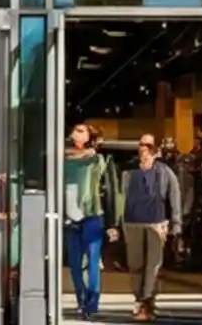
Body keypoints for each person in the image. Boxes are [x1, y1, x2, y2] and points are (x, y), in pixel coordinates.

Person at [116, 133, 182, 322]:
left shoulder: (164, 172)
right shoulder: (129, 171)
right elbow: (120, 197)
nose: (144, 150)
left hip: (156, 223)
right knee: (136, 265)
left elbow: (174, 196)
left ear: (155, 151)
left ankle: (147, 301)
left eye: (148, 147)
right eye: (141, 146)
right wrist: (117, 224)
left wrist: (175, 224)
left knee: (153, 265)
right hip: (132, 223)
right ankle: (139, 300)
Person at [61, 123, 117, 320]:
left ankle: (91, 304)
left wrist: (112, 223)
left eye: (81, 130)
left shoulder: (98, 160)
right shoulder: (62, 159)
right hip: (69, 217)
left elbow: (110, 191)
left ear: (89, 136)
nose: (77, 132)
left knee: (92, 263)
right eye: (75, 129)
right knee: (75, 265)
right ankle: (82, 299)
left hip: (92, 215)